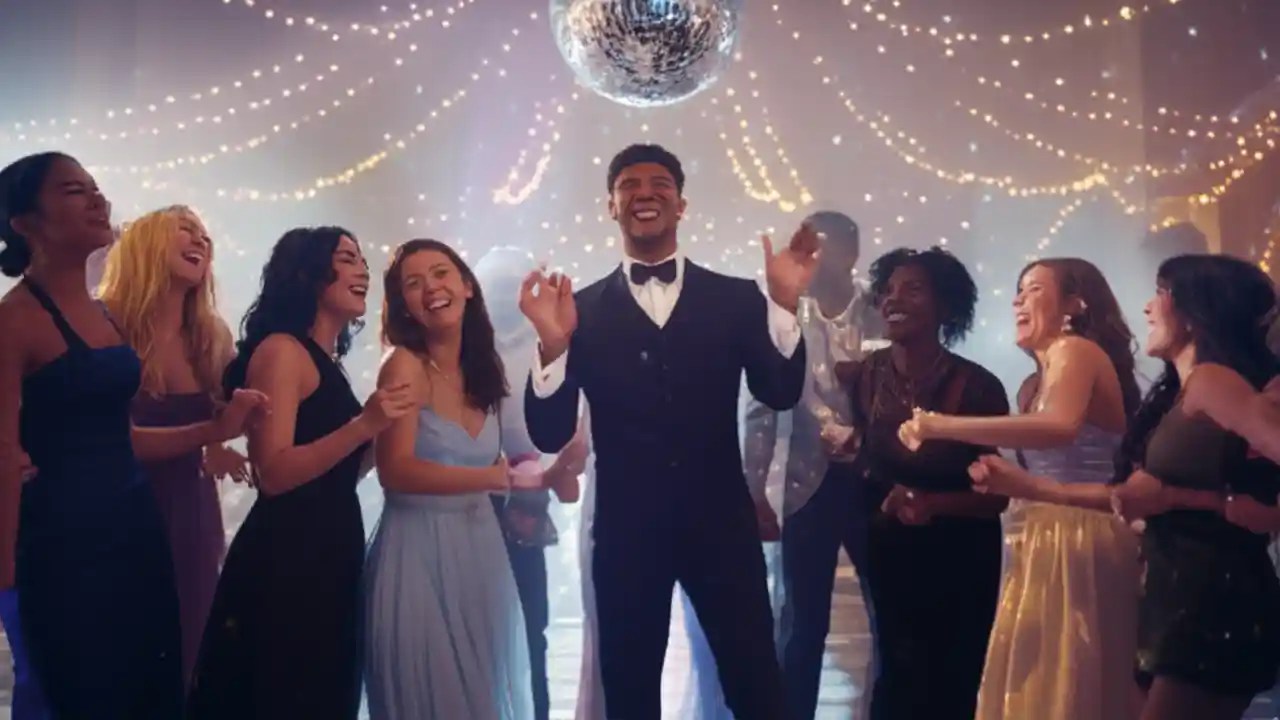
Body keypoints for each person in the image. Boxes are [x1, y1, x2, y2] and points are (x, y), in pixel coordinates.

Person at [520, 143, 816, 718]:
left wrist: (782, 302)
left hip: (722, 528)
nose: (645, 192)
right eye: (629, 184)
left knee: (757, 684)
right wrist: (552, 345)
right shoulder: (578, 310)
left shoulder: (735, 298)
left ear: (681, 205)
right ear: (611, 206)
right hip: (628, 535)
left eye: (659, 183)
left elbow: (779, 391)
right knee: (629, 694)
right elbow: (551, 432)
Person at [0, 151, 264, 718]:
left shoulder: (105, 320)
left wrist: (215, 429)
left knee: (155, 687)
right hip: (65, 548)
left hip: (136, 531)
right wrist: (7, 588)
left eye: (96, 187)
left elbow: (127, 440)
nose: (98, 199)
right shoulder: (15, 319)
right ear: (25, 222)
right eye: (74, 191)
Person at [187, 227, 415, 720]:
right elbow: (276, 473)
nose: (363, 271)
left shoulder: (326, 361)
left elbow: (333, 473)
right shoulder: (282, 351)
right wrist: (363, 425)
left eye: (361, 260)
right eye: (347, 259)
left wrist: (383, 434)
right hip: (288, 555)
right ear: (309, 273)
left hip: (330, 544)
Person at [906, 258, 1142, 720]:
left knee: (1067, 676)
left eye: (1033, 289)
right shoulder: (1036, 379)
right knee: (1039, 676)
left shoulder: (1076, 349)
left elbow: (1058, 427)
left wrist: (941, 425)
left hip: (1082, 534)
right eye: (1018, 289)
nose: (1018, 299)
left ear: (1074, 304)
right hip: (1039, 536)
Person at [363, 239, 550, 719]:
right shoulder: (402, 364)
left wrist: (551, 472)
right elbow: (395, 470)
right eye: (414, 282)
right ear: (403, 302)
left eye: (441, 274)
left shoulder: (483, 369)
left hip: (481, 551)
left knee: (484, 693)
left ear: (467, 286)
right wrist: (487, 478)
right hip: (419, 550)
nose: (431, 288)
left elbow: (514, 457)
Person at [835, 247, 1008, 720]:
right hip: (889, 548)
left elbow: (997, 496)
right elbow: (856, 459)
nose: (894, 299)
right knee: (895, 675)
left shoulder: (978, 386)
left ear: (946, 306)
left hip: (961, 553)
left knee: (953, 679)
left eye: (913, 289)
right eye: (888, 290)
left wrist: (933, 503)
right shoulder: (864, 377)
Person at [1106, 255, 1280, 720]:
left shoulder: (1213, 380)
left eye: (1160, 291)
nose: (1146, 307)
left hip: (1213, 598)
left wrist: (1181, 499)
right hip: (1177, 592)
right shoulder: (1182, 391)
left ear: (1194, 311)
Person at [98, 205, 248, 691]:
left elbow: (226, 412)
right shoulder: (103, 326)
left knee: (190, 655)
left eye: (204, 234)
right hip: (120, 514)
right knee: (124, 656)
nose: (199, 240)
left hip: (191, 512)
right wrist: (213, 433)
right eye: (184, 230)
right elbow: (117, 444)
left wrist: (222, 442)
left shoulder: (211, 337)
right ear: (143, 245)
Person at [743, 209, 881, 720]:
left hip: (874, 478)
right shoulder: (782, 313)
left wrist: (866, 436)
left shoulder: (882, 307)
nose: (818, 257)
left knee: (886, 612)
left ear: (854, 252)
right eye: (809, 247)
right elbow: (759, 408)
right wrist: (753, 490)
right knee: (801, 623)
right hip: (807, 484)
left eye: (830, 247)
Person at [474, 246, 587, 720]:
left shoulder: (549, 340)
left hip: (527, 494)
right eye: (493, 289)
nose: (500, 298)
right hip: (471, 497)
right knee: (479, 627)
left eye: (509, 288)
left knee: (532, 624)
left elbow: (574, 417)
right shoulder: (466, 346)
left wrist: (550, 470)